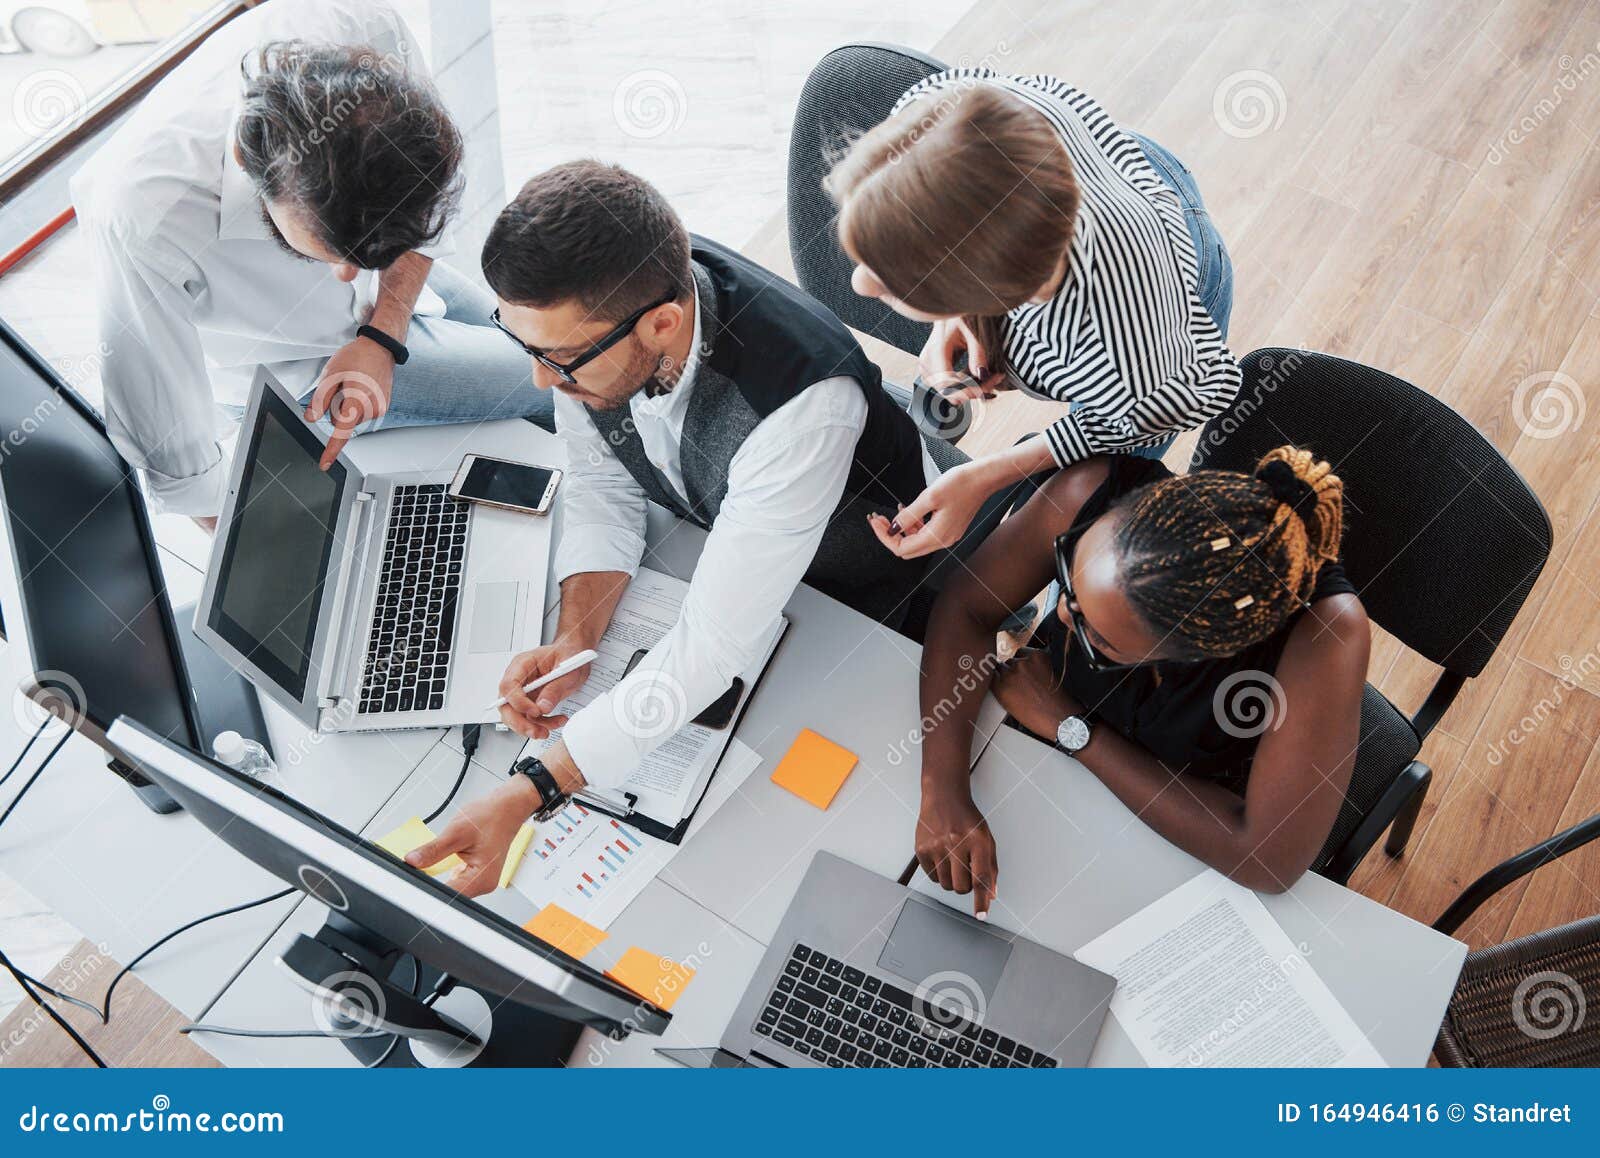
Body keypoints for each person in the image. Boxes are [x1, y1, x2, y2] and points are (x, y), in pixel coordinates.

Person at [407, 161, 932, 894]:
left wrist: (532, 790)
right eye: (526, 348)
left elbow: (712, 648)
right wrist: (576, 638)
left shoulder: (802, 406)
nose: (541, 382)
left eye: (559, 361)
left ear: (663, 324)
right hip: (721, 541)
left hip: (862, 589)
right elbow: (601, 482)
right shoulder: (609, 308)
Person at [71, 0, 553, 522]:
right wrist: (254, 560)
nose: (349, 274)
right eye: (326, 251)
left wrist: (384, 333)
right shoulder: (141, 219)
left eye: (363, 254)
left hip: (402, 296)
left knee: (568, 352)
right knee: (567, 378)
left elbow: (426, 192)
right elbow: (169, 442)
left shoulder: (362, 28)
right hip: (302, 368)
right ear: (246, 160)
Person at [912, 446, 1368, 916]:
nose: (1062, 614)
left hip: (1177, 831)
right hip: (1033, 769)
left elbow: (1267, 861)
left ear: (1198, 653)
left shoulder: (1325, 636)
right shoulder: (1091, 488)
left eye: (1098, 638)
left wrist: (1073, 728)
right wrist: (942, 789)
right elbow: (969, 607)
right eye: (1069, 578)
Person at [826, 67, 1241, 559]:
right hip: (1109, 172)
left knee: (1099, 489)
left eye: (893, 278)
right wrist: (951, 318)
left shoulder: (1125, 359)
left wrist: (988, 474)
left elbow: (1143, 416)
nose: (859, 283)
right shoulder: (947, 110)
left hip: (1166, 314)